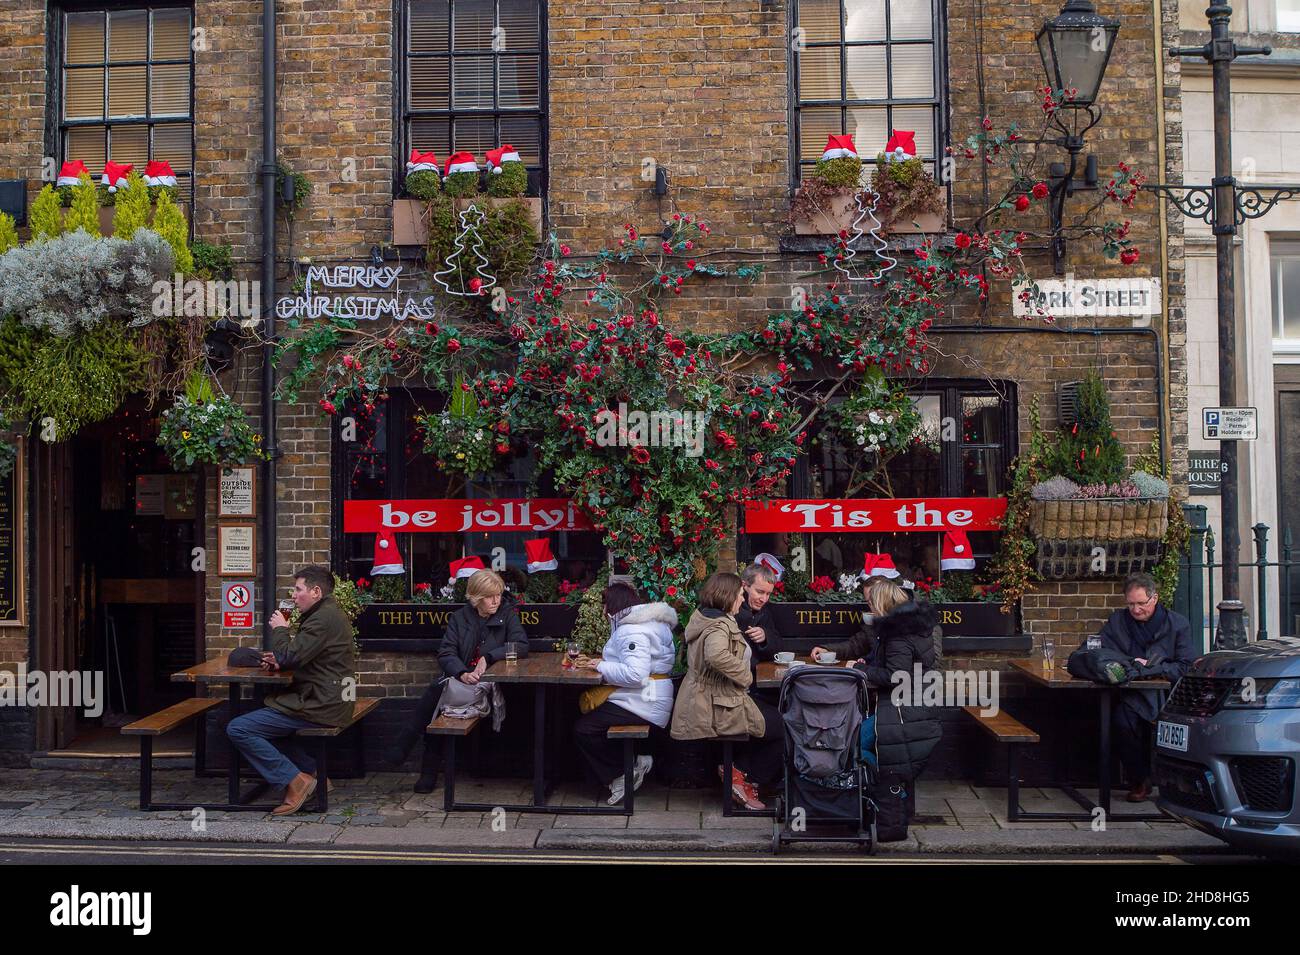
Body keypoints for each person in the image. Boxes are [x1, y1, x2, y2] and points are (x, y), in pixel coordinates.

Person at [226, 565, 357, 815]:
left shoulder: (322, 619)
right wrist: (281, 661)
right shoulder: (327, 613)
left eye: (298, 590)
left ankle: (296, 782)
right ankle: (314, 773)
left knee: (239, 728)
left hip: (323, 703)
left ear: (316, 591)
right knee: (268, 714)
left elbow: (289, 655)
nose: (294, 596)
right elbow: (301, 654)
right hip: (333, 698)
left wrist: (281, 628)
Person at [386, 569, 529, 792]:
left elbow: (521, 646)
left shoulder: (507, 614)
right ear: (476, 598)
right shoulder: (460, 618)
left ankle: (408, 750)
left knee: (437, 694)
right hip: (462, 681)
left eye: (498, 595)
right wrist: (462, 673)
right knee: (439, 701)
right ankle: (425, 769)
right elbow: (446, 653)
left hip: (490, 683)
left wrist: (489, 658)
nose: (496, 600)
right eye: (489, 596)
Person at [811, 577, 943, 783]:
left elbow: (894, 676)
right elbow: (899, 663)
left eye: (871, 604)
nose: (870, 610)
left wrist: (859, 668)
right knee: (855, 743)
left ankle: (883, 787)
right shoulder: (909, 626)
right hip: (913, 706)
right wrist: (870, 662)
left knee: (851, 744)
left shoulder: (899, 634)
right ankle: (885, 787)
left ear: (880, 604)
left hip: (905, 711)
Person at [670, 572, 782, 810]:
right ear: (728, 596)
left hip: (716, 698)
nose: (742, 599)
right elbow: (716, 655)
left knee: (774, 718)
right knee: (785, 727)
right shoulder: (718, 626)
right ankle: (741, 776)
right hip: (716, 705)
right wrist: (745, 676)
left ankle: (741, 774)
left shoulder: (708, 617)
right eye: (740, 595)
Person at [1093, 571, 1196, 802]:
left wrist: (1150, 668)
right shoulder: (1118, 622)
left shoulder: (1177, 624)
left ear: (1155, 598)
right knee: (1120, 721)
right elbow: (1099, 649)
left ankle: (1165, 783)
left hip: (1167, 695)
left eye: (1141, 603)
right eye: (1131, 604)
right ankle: (1139, 779)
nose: (1136, 610)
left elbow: (1186, 666)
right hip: (1127, 692)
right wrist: (1128, 663)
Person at [573, 583, 678, 805]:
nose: (603, 611)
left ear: (612, 606)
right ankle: (640, 758)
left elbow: (635, 674)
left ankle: (621, 775)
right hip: (650, 697)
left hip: (644, 701)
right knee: (592, 718)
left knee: (585, 728)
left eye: (604, 605)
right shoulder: (650, 624)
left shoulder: (631, 630)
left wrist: (600, 666)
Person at [735, 562, 783, 679]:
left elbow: (778, 646)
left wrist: (765, 636)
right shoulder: (732, 609)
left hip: (756, 676)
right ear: (744, 586)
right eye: (760, 592)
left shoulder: (764, 611)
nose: (764, 599)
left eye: (768, 594)